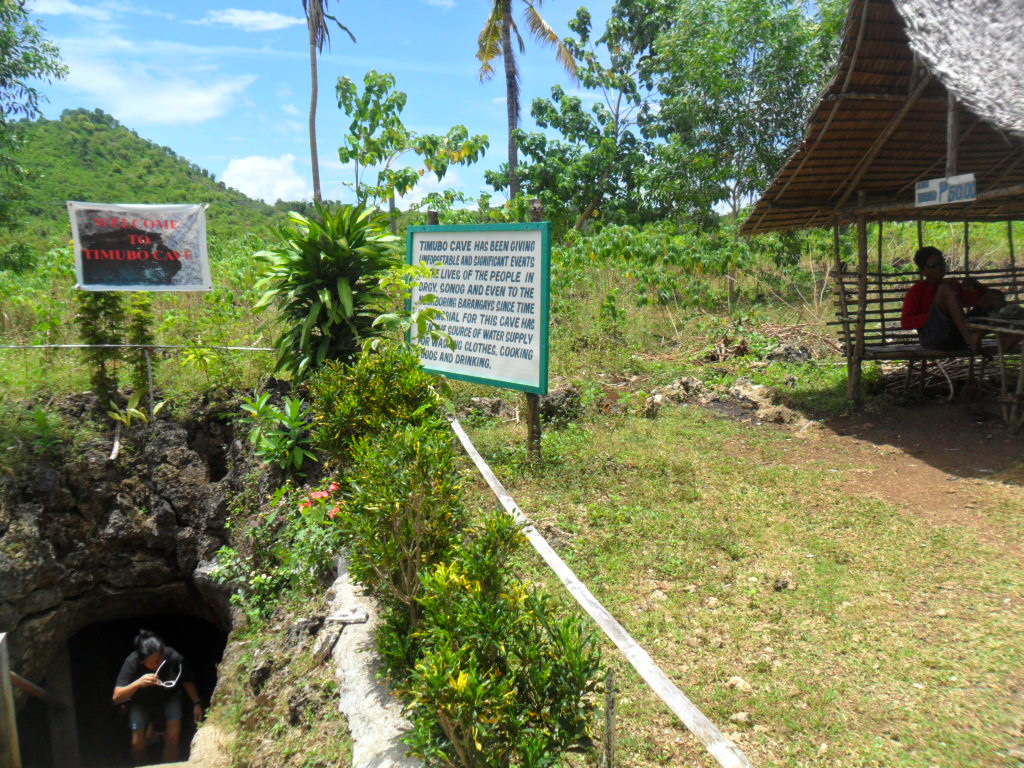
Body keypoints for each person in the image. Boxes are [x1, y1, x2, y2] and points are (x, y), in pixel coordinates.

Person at [112, 629, 204, 765]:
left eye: (159, 660)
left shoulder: (174, 658)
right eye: (152, 663)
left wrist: (197, 703)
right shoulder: (132, 662)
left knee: (172, 739)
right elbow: (117, 696)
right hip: (140, 702)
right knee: (137, 745)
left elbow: (187, 682)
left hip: (170, 697)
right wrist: (138, 683)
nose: (156, 665)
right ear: (141, 660)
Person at [901, 246, 1006, 350]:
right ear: (923, 271)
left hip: (955, 334)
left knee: (995, 295)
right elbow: (906, 322)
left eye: (941, 263)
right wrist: (935, 316)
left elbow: (974, 300)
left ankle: (1005, 337)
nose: (939, 268)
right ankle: (969, 337)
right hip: (935, 338)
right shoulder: (917, 290)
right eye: (933, 266)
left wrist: (977, 286)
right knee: (945, 288)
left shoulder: (952, 285)